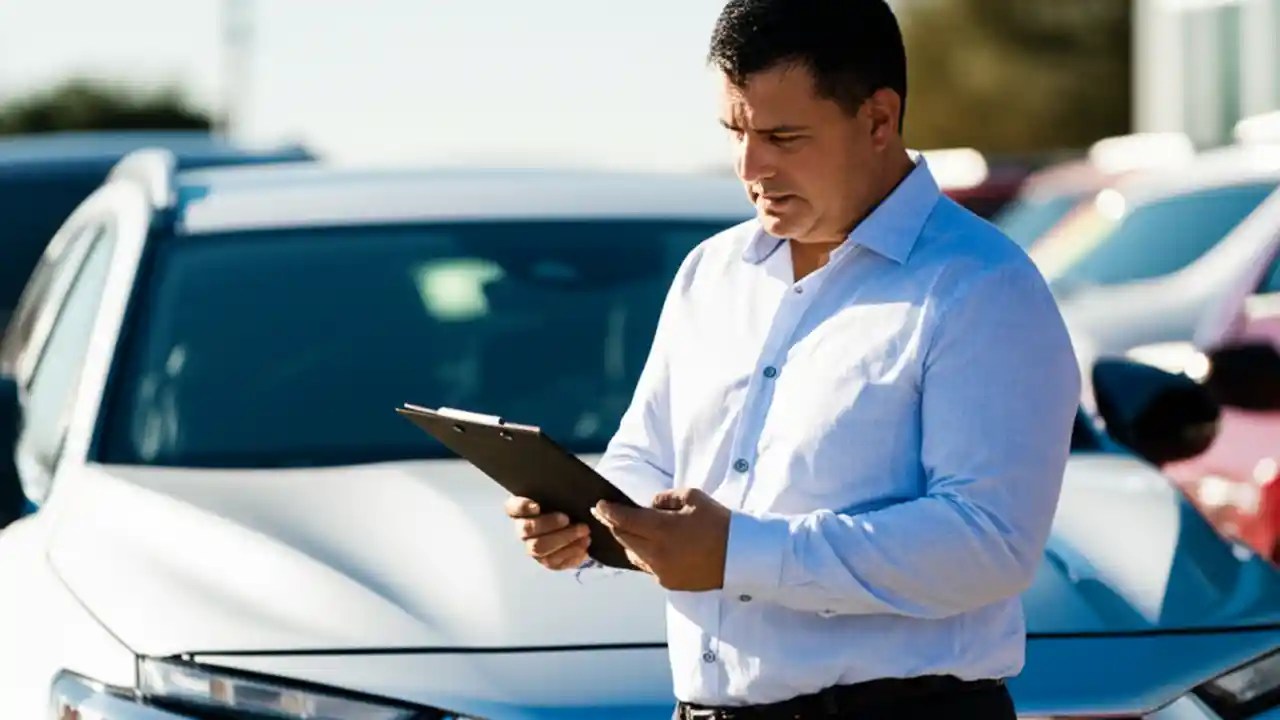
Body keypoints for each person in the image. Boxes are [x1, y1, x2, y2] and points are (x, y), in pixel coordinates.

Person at [504, 0, 1081, 717]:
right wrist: (589, 521)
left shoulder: (982, 286)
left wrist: (738, 553)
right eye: (735, 132)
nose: (750, 167)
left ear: (878, 119)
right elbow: (646, 458)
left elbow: (990, 541)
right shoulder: (710, 274)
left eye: (783, 135)